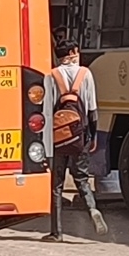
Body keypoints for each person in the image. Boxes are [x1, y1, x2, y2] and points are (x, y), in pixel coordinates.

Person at [43, 41, 106, 240]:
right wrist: (93, 136)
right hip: (80, 135)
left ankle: (56, 232)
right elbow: (92, 110)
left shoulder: (51, 76)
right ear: (72, 53)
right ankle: (92, 209)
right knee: (82, 179)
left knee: (57, 184)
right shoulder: (85, 74)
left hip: (58, 138)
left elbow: (46, 110)